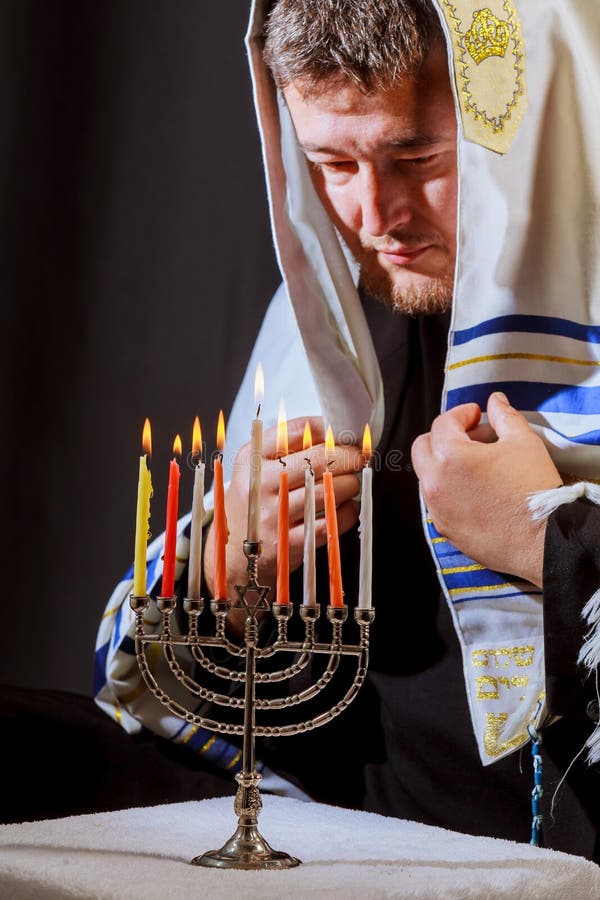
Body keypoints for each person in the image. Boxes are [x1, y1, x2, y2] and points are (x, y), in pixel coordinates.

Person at [94, 0, 600, 860]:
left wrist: (550, 542)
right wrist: (224, 577)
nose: (376, 216)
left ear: (523, 130)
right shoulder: (322, 326)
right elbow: (268, 705)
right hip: (350, 850)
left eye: (417, 156)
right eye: (330, 161)